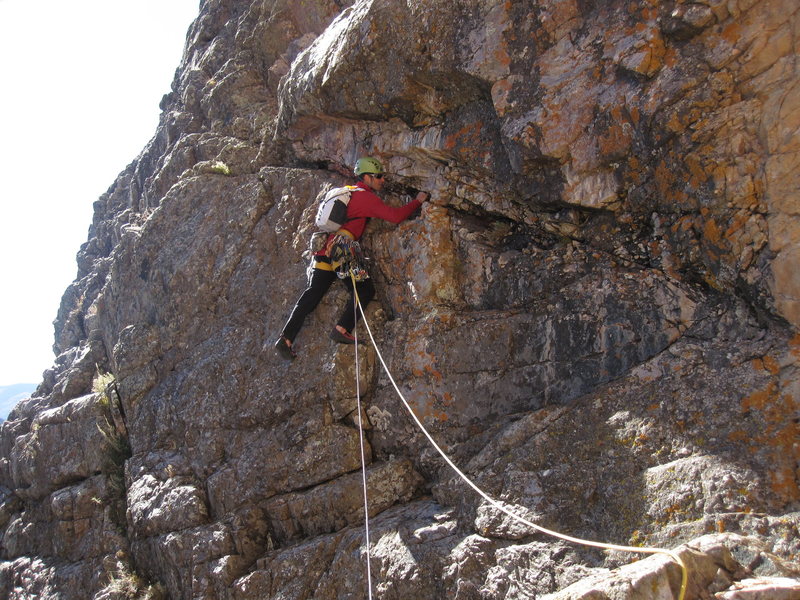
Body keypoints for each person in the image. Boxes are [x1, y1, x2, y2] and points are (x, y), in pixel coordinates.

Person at [275, 156, 429, 360]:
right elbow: (394, 216)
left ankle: (285, 338)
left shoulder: (348, 192)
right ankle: (342, 329)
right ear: (366, 177)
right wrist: (417, 202)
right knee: (364, 288)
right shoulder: (365, 197)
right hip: (343, 249)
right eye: (379, 176)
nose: (382, 180)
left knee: (312, 294)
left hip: (324, 250)